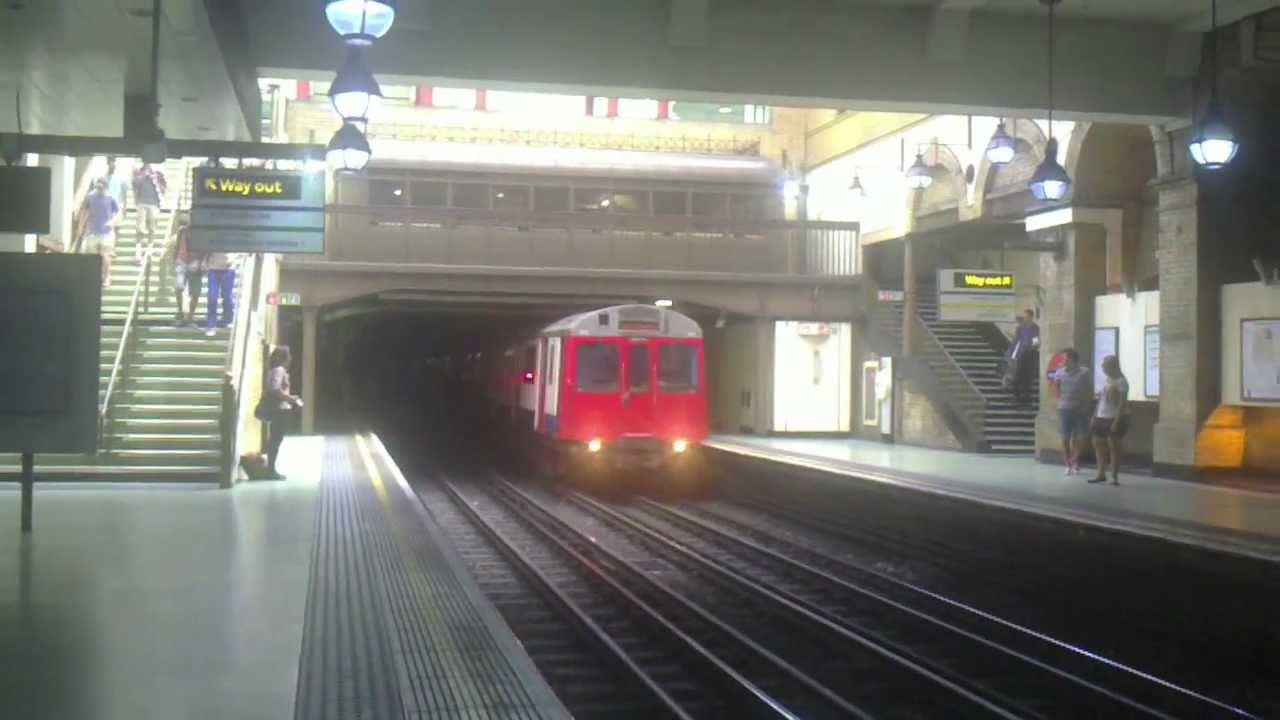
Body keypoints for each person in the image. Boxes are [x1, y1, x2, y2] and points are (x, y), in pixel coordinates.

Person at [1049, 348, 1091, 476]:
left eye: (1066, 359)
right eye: (1063, 359)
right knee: (1065, 437)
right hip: (1064, 408)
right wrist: (1059, 399)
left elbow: (1088, 390)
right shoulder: (1059, 372)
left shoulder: (1084, 372)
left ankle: (1076, 460)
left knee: (1081, 436)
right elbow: (1055, 388)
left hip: (1079, 408)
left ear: (1073, 360)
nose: (1063, 361)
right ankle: (1068, 463)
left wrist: (1086, 405)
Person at [263, 346, 303, 480]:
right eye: (289, 355)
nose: (290, 358)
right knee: (275, 439)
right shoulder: (279, 370)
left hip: (278, 409)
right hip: (279, 410)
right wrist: (291, 399)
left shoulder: (273, 370)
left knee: (275, 439)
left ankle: (271, 468)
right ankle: (271, 470)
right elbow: (275, 389)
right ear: (284, 358)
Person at [1090, 355, 1130, 485]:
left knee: (1113, 447)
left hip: (1113, 417)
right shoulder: (1107, 379)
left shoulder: (1122, 381)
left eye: (1105, 365)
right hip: (1101, 416)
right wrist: (1094, 415)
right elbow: (1101, 399)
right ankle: (1101, 473)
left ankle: (1114, 476)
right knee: (1098, 445)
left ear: (1113, 366)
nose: (1102, 367)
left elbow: (1122, 404)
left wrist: (1116, 421)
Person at [167, 212, 204, 326]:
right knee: (178, 287)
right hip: (182, 261)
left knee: (196, 292)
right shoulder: (182, 231)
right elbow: (177, 246)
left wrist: (201, 262)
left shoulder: (201, 232)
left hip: (195, 263)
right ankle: (180, 313)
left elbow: (205, 248)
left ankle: (191, 316)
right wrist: (174, 261)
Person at [80, 179, 120, 286]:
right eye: (98, 188)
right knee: (92, 256)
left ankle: (106, 277)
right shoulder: (90, 196)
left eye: (101, 188)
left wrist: (112, 221)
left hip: (106, 232)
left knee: (105, 255)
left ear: (106, 188)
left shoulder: (111, 197)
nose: (99, 190)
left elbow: (117, 213)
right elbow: (84, 211)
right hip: (92, 231)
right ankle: (95, 277)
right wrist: (81, 227)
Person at [131, 162, 168, 260]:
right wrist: (142, 176)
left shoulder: (158, 170)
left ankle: (149, 249)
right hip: (142, 202)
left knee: (152, 228)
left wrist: (155, 176)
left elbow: (164, 185)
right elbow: (134, 184)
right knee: (140, 229)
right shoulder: (139, 170)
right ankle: (138, 251)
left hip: (153, 203)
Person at [1009, 309, 1040, 407]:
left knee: (1028, 378)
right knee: (1017, 377)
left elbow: (1036, 342)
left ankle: (1026, 400)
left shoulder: (1035, 328)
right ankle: (1016, 397)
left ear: (1031, 317)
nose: (1025, 319)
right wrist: (1010, 353)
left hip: (1030, 355)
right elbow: (1015, 341)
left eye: (1026, 317)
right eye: (1024, 317)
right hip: (1021, 354)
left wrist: (1033, 347)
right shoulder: (1020, 328)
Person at [204, 251, 237, 336]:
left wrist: (233, 258)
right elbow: (207, 249)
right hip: (213, 269)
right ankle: (211, 325)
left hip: (228, 269)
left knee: (227, 297)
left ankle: (228, 319)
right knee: (212, 297)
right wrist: (204, 261)